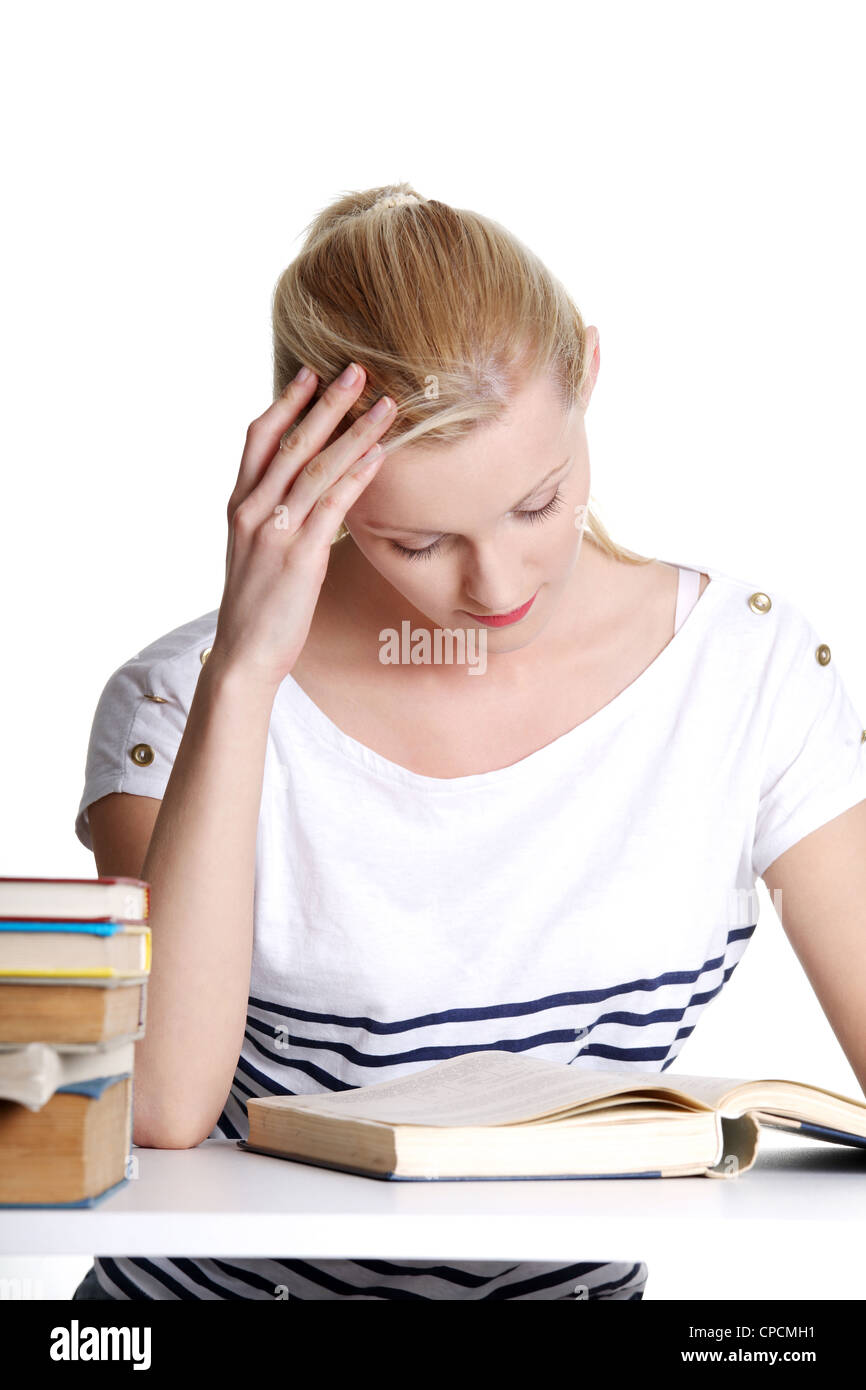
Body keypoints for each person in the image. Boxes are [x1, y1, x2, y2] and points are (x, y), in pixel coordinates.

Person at [72, 183, 866, 1300]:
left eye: (536, 505)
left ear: (588, 374)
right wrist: (246, 671)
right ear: (309, 482)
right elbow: (162, 1108)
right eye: (417, 538)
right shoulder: (176, 704)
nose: (494, 587)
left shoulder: (750, 676)